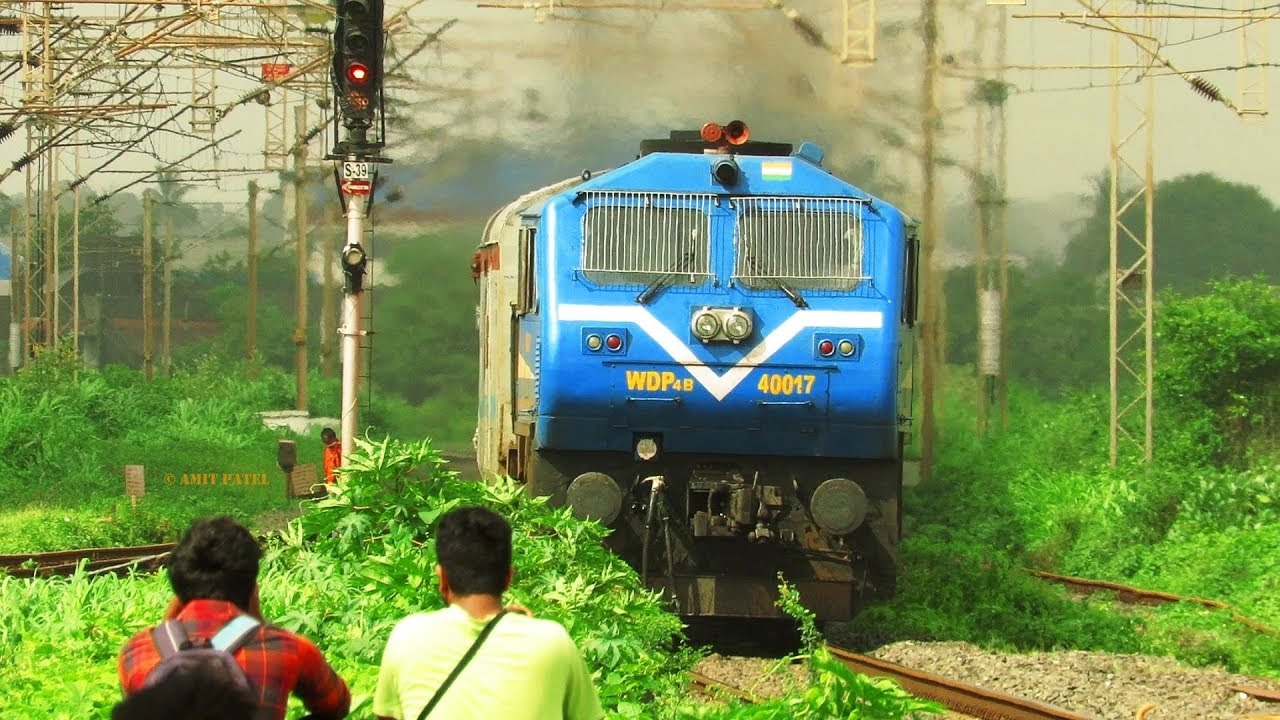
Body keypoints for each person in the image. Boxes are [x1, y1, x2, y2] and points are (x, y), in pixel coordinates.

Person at [373, 506, 605, 720]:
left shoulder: (407, 636)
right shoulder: (553, 642)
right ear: (508, 577)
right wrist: (533, 633)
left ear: (442, 578)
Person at [118, 516, 351, 720]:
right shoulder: (288, 648)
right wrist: (259, 624)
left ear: (178, 591)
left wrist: (166, 626)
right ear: (252, 589)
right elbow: (336, 706)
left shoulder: (137, 651)